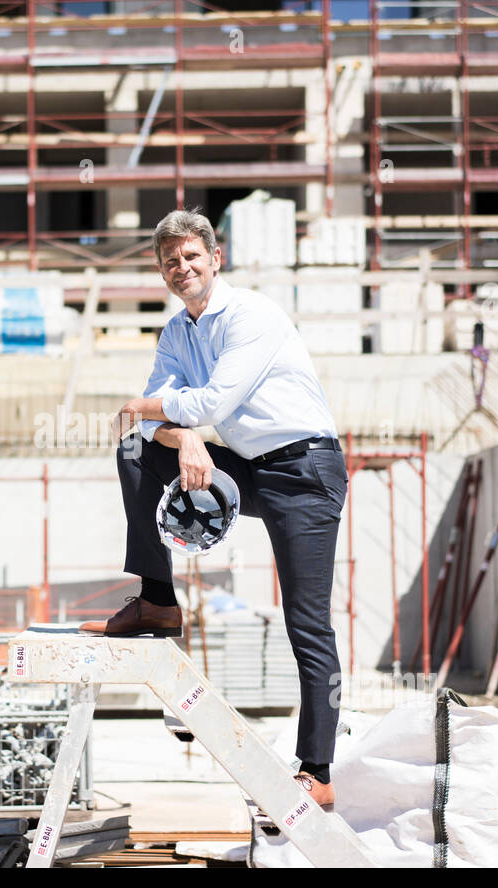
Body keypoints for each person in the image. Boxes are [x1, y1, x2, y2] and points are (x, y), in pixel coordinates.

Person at [80, 208, 349, 807]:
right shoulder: (176, 333)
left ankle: (319, 770)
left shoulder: (252, 315)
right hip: (251, 466)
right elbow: (162, 419)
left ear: (215, 258)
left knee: (308, 622)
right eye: (171, 261)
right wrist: (187, 435)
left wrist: (159, 412)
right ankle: (156, 600)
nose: (182, 268)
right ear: (162, 271)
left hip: (306, 471)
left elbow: (204, 400)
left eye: (192, 256)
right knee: (134, 447)